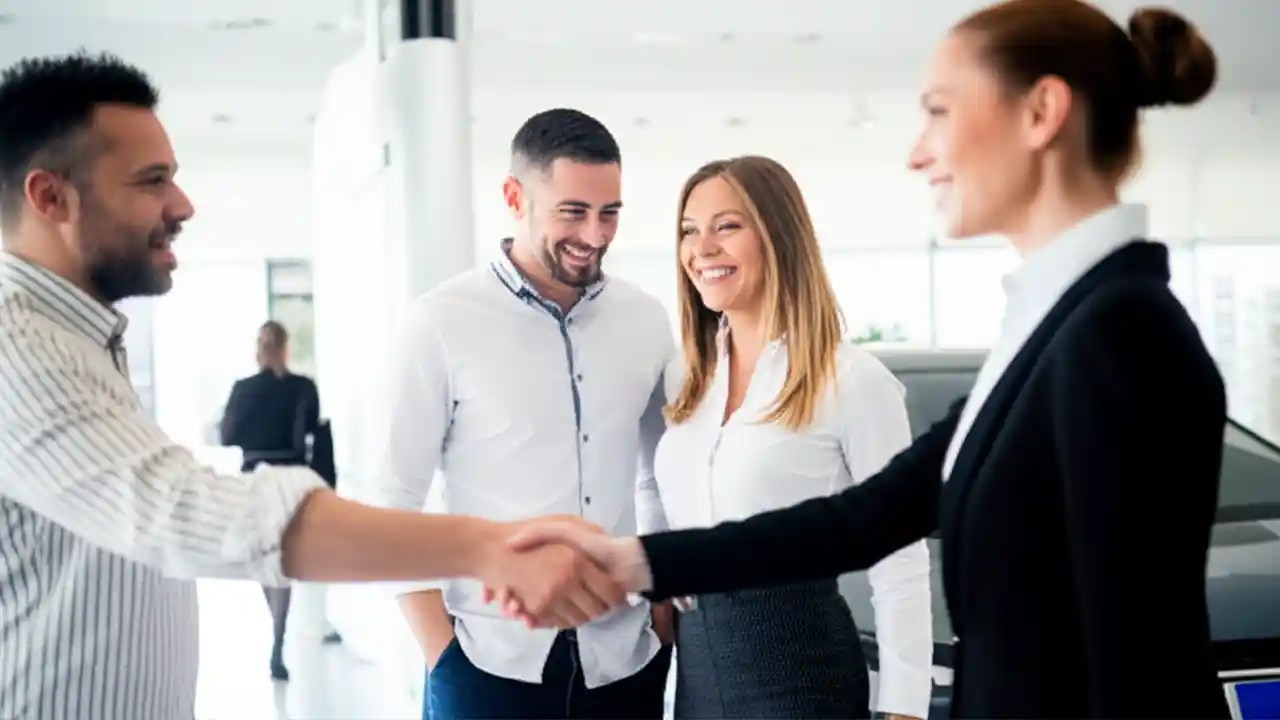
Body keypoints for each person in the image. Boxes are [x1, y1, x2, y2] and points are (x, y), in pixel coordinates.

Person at [502, 2, 1230, 717]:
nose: (919, 152)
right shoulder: (1050, 329)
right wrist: (637, 563)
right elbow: (864, 519)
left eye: (940, 112)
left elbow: (1140, 663)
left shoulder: (1121, 337)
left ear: (1041, 112)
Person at [0, 52, 621, 720]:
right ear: (50, 198)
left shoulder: (84, 341)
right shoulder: (16, 346)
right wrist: (488, 549)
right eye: (152, 182)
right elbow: (184, 513)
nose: (182, 204)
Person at [376, 108, 674, 719]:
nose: (595, 234)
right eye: (573, 212)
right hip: (488, 664)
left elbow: (659, 472)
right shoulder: (441, 321)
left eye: (609, 212)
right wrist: (445, 653)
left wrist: (663, 606)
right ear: (515, 196)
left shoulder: (645, 320)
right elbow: (391, 499)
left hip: (625, 662)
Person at [645, 155, 931, 719]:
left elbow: (900, 561)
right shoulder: (685, 381)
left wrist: (905, 708)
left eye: (727, 226)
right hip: (699, 673)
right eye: (689, 230)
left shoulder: (850, 380)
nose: (702, 248)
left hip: (802, 675)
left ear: (778, 235)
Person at [220, 320, 328, 681]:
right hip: (293, 482)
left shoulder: (244, 389)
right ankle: (278, 640)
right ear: (285, 347)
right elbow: (314, 431)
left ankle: (276, 635)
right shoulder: (302, 387)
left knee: (267, 557)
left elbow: (228, 434)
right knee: (284, 561)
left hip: (255, 480)